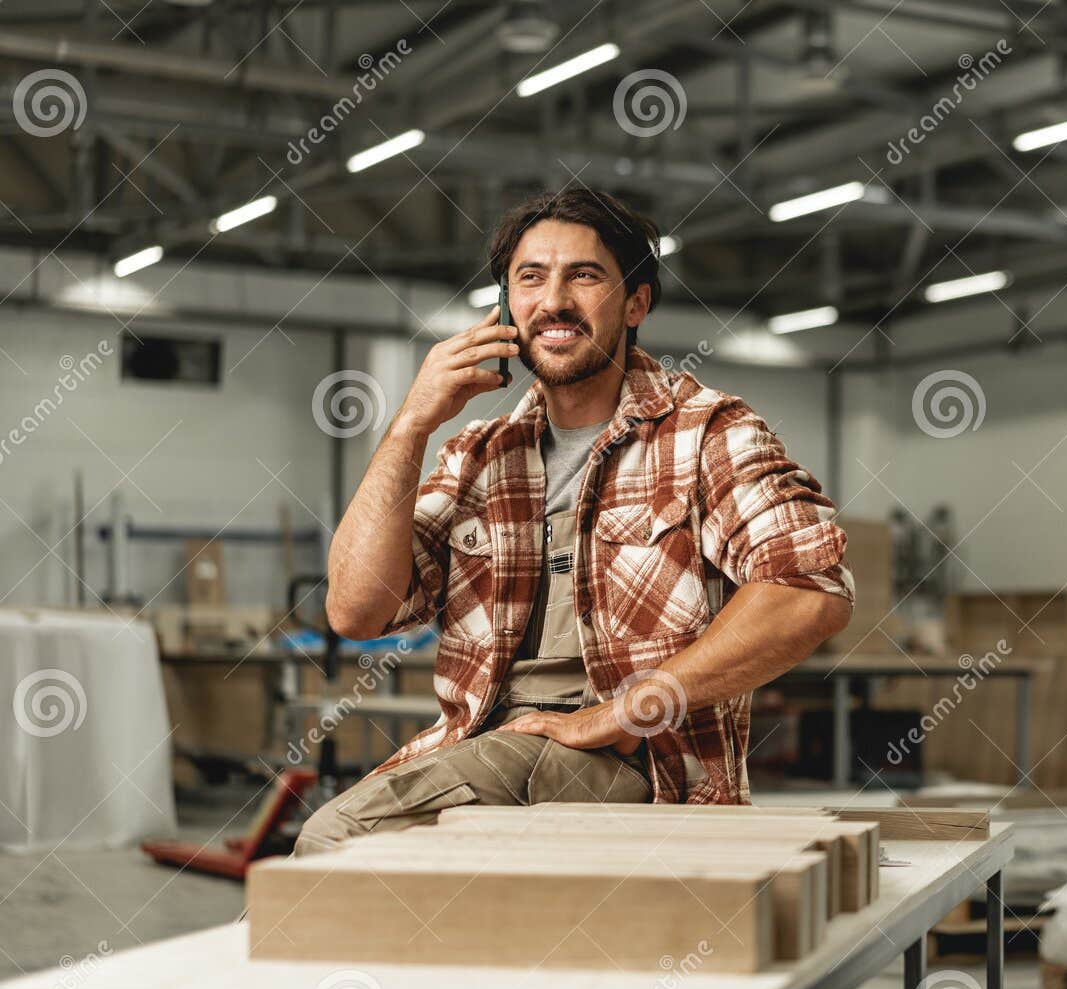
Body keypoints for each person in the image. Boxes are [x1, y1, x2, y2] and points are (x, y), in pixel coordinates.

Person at [295, 189, 854, 853]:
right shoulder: (477, 455)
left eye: (583, 276)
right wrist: (411, 424)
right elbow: (356, 613)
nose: (553, 300)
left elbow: (807, 588)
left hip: (639, 765)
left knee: (342, 837)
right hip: (494, 746)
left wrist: (626, 710)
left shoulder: (707, 432)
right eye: (530, 278)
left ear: (636, 303)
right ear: (505, 304)